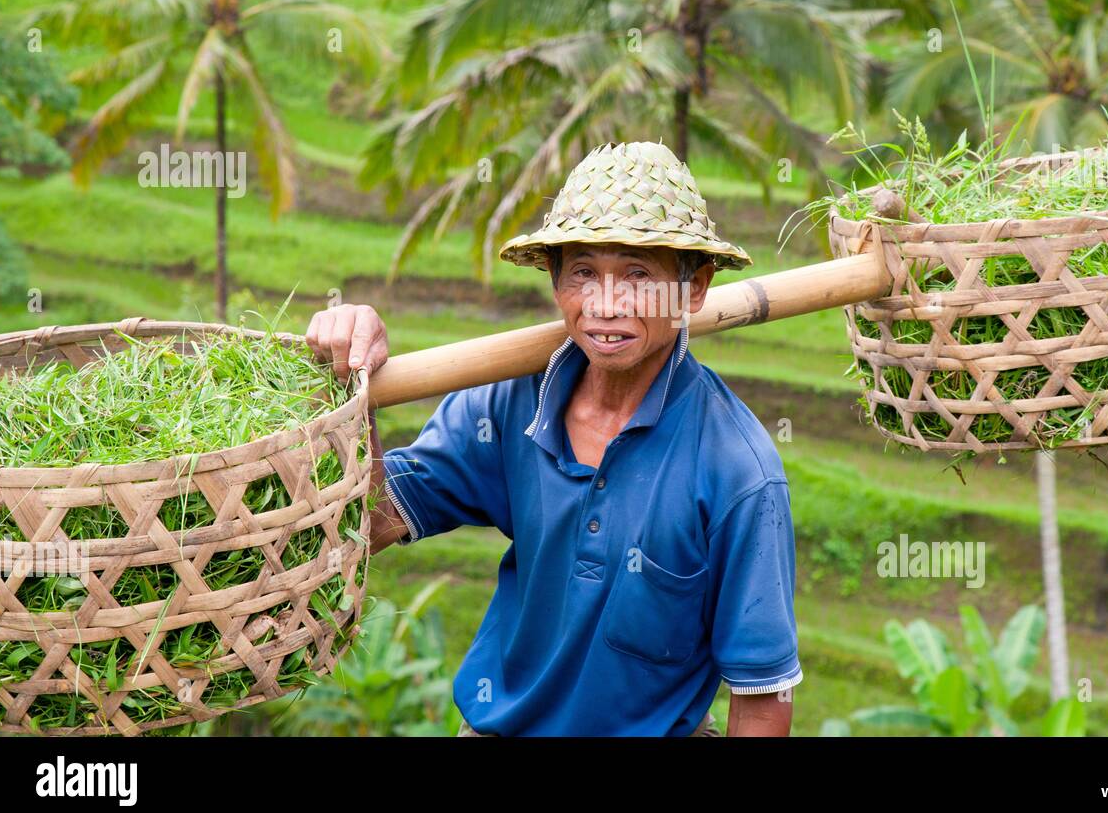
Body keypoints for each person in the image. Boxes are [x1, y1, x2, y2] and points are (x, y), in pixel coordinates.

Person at [307, 141, 801, 736]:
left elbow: (763, 696)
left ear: (694, 289)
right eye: (584, 273)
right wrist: (351, 381)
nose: (605, 304)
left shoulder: (738, 470)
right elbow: (374, 521)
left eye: (638, 273)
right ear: (555, 281)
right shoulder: (509, 400)